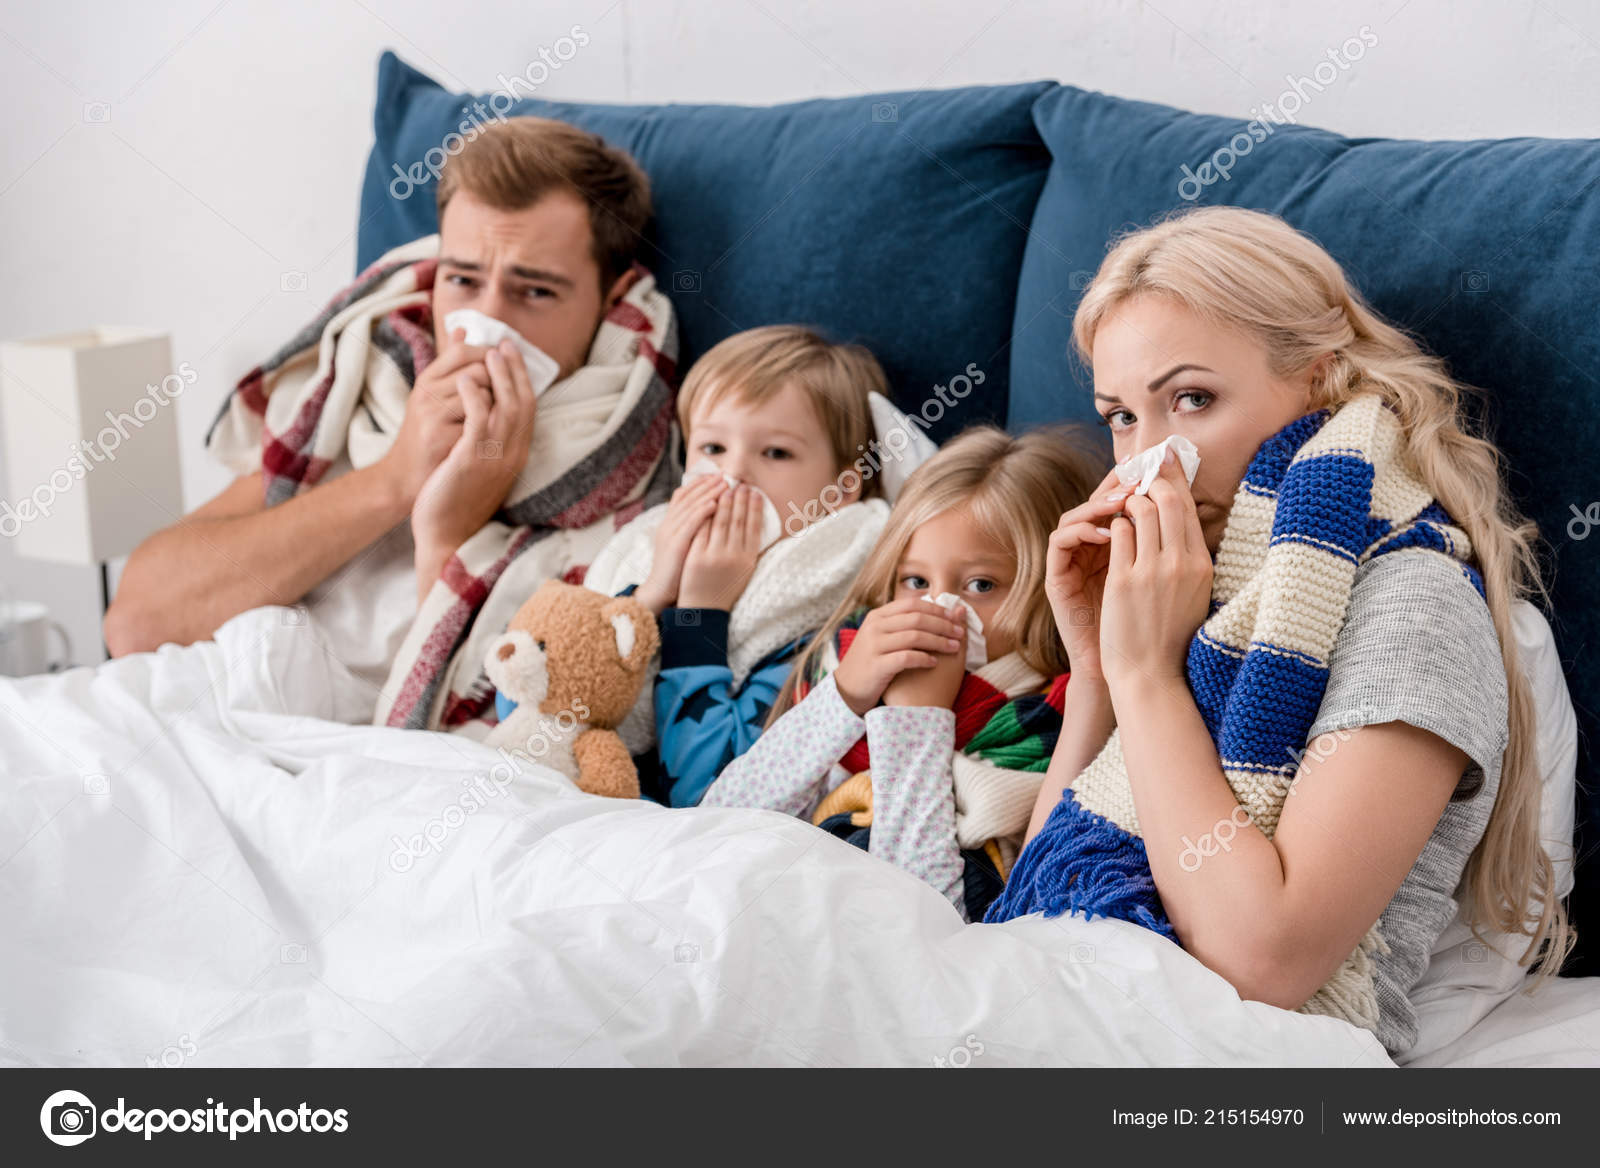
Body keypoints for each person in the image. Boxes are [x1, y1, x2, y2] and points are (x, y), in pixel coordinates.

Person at [989, 206, 1571, 1056]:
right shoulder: (1212, 589)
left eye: (1191, 400)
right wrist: (1099, 674)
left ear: (1321, 379)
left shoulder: (1417, 603)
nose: (1150, 464)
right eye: (1120, 417)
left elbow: (1265, 963)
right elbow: (1043, 896)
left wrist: (1148, 677)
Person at [104, 117, 655, 707]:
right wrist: (395, 478)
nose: (487, 326)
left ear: (613, 299)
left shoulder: (639, 455)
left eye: (536, 291)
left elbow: (521, 733)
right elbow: (134, 623)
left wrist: (449, 532)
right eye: (463, 279)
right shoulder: (365, 383)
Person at [700, 426, 1102, 921]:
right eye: (915, 581)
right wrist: (845, 696)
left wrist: (918, 718)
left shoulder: (1054, 722)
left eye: (981, 584)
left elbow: (917, 921)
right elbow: (718, 822)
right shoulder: (843, 663)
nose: (939, 606)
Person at [580, 325, 895, 806]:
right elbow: (533, 693)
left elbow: (706, 793)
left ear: (843, 488)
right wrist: (654, 593)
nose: (733, 474)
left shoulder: (827, 615)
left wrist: (701, 613)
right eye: (712, 448)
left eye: (775, 452)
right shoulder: (644, 546)